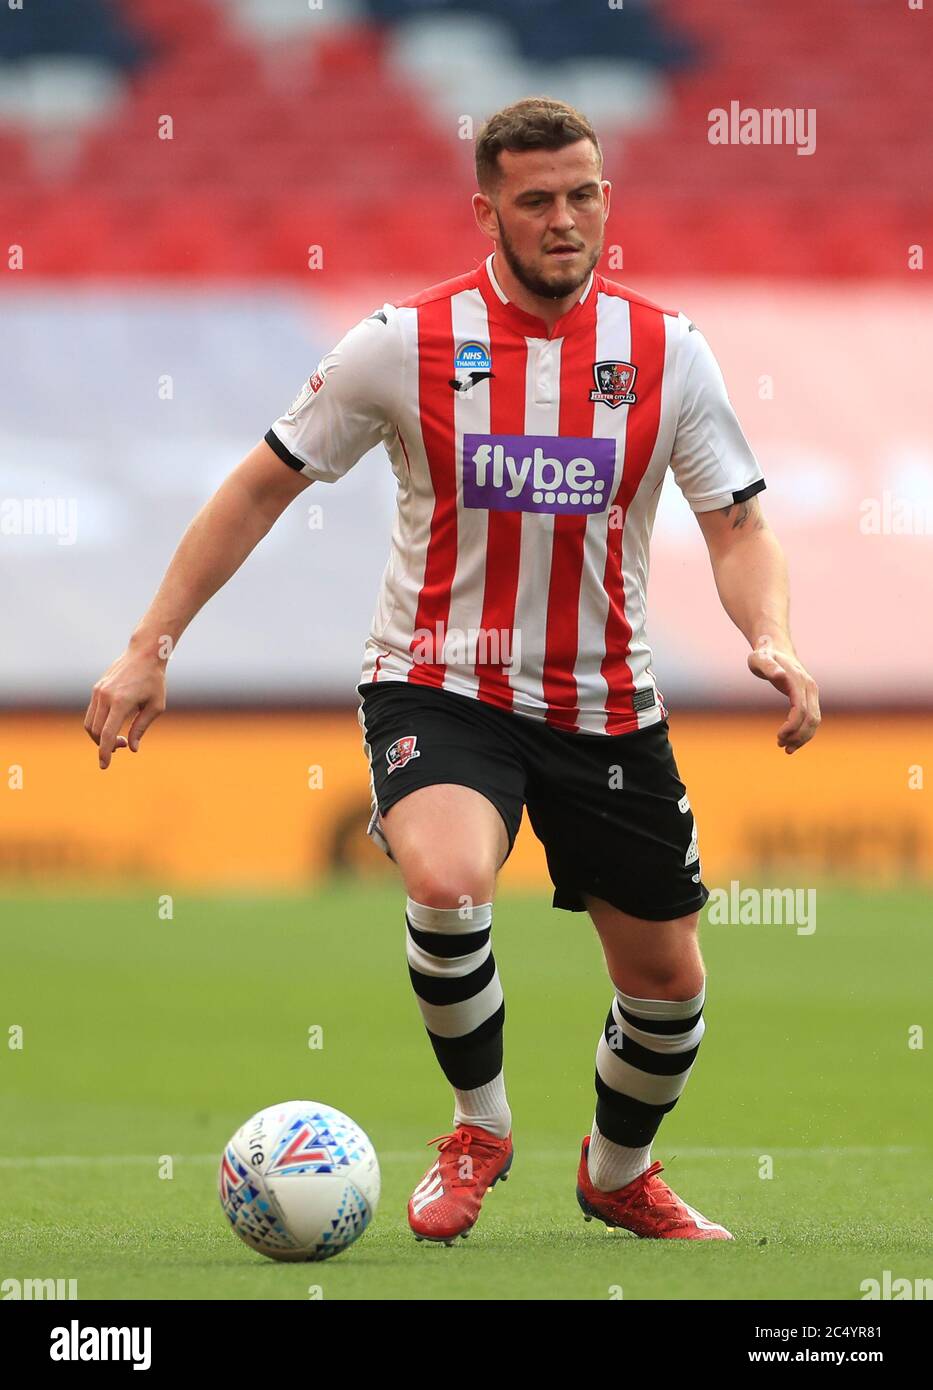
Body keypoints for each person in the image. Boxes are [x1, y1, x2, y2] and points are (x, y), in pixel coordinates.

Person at [86, 96, 820, 1246]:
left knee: (670, 986)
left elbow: (738, 525)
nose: (566, 219)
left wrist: (769, 632)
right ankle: (480, 1126)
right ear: (487, 211)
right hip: (440, 681)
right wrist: (149, 644)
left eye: (584, 194)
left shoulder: (669, 351)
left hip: (607, 704)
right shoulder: (400, 344)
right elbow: (260, 485)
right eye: (537, 200)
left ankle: (617, 1171)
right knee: (445, 881)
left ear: (607, 198)